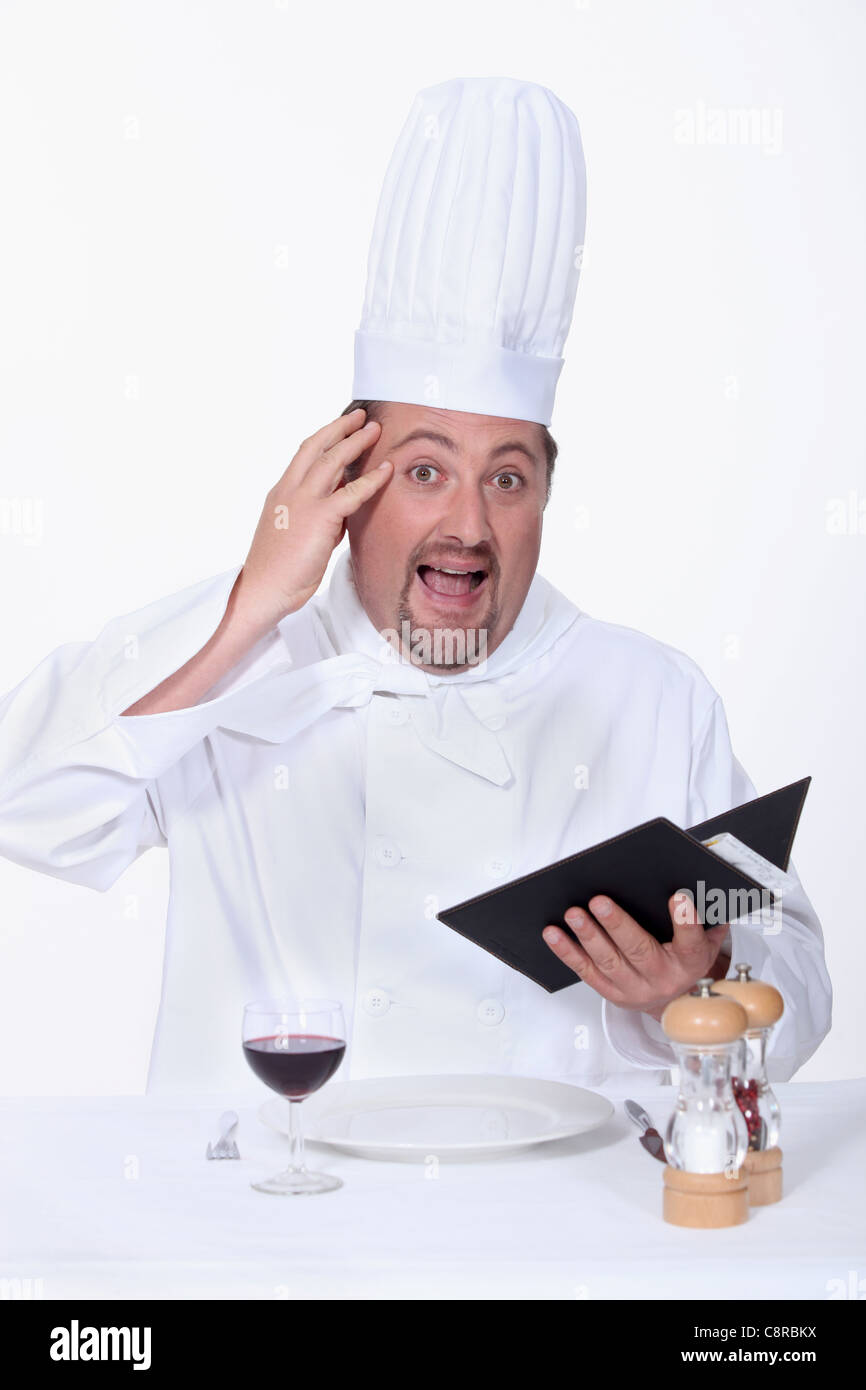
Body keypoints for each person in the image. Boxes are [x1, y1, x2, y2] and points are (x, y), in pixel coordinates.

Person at [0, 78, 831, 1094]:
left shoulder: (648, 696)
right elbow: (28, 807)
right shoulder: (241, 673)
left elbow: (795, 976)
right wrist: (251, 607)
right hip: (275, 1219)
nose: (468, 525)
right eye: (425, 469)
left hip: (553, 1227)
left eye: (507, 477)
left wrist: (699, 976)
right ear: (349, 482)